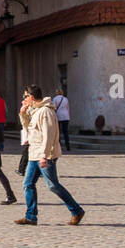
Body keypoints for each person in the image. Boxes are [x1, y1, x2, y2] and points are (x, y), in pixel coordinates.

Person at [15, 84, 84, 226]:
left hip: (45, 155)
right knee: (28, 184)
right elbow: (28, 129)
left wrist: (45, 156)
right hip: (33, 154)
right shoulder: (35, 111)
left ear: (31, 97)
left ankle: (76, 210)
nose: (24, 99)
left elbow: (49, 135)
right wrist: (22, 114)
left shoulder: (45, 111)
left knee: (53, 186)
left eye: (25, 96)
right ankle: (31, 216)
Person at [15, 94, 31, 176]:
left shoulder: (29, 109)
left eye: (24, 99)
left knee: (27, 153)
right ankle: (21, 169)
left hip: (30, 133)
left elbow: (26, 124)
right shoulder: (25, 109)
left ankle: (22, 169)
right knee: (26, 153)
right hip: (29, 133)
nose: (22, 101)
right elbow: (24, 123)